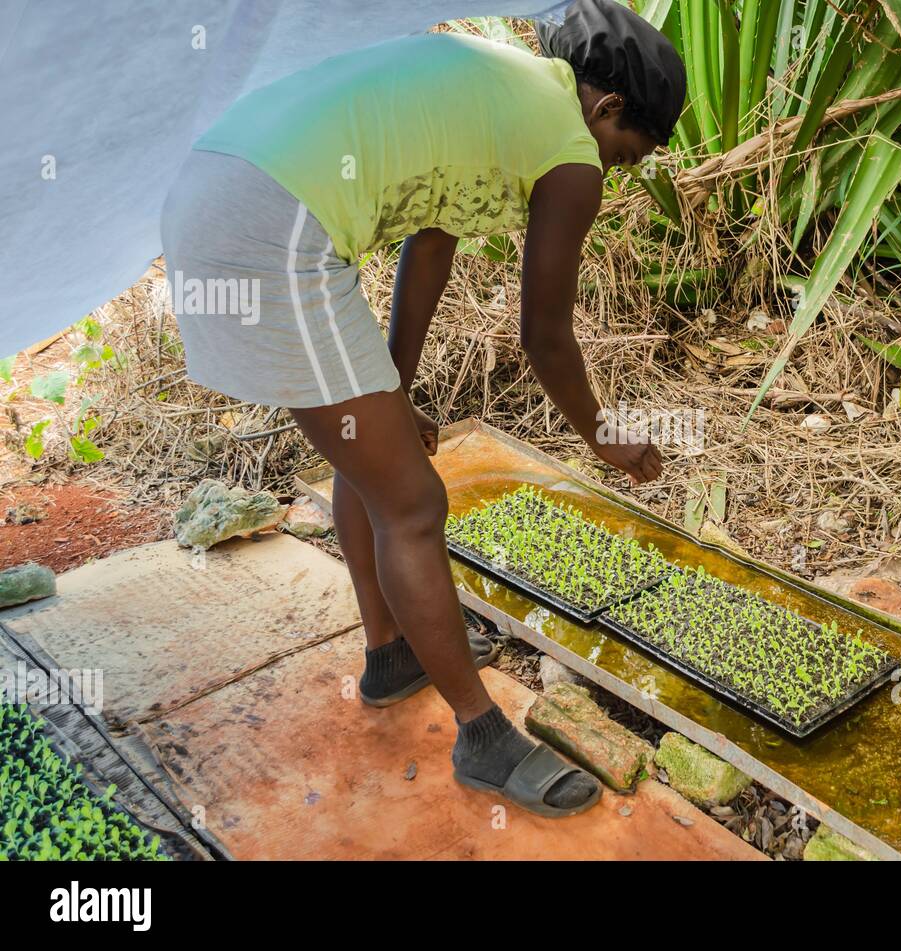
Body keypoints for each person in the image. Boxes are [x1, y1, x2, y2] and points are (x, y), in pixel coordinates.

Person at [160, 0, 686, 818]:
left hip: (225, 187)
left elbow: (430, 238)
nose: (611, 172)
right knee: (414, 502)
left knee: (372, 462)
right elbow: (546, 335)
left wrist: (395, 390)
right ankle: (482, 736)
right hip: (273, 228)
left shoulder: (494, 81)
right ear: (607, 107)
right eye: (625, 155)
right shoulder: (569, 146)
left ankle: (389, 655)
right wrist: (605, 435)